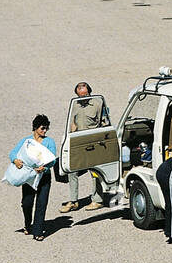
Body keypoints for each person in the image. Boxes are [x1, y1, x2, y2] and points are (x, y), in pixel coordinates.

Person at [60, 82, 110, 214]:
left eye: (85, 95)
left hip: (94, 143)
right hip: (80, 143)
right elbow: (74, 123)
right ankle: (73, 201)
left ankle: (97, 200)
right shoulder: (75, 104)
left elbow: (105, 123)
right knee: (72, 170)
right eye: (80, 96)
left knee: (95, 172)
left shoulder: (99, 104)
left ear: (89, 92)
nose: (83, 98)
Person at [10, 115, 57, 240]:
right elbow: (13, 153)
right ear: (35, 127)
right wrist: (16, 161)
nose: (44, 131)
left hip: (44, 177)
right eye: (42, 128)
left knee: (41, 203)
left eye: (46, 128)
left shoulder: (49, 142)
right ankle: (27, 223)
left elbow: (52, 159)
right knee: (27, 202)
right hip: (29, 177)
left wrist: (45, 168)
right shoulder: (26, 141)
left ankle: (38, 231)